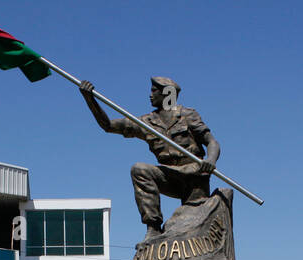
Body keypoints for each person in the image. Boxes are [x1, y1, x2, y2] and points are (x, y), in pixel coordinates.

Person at [80, 76, 218, 240]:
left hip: (194, 177)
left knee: (196, 223)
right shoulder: (147, 122)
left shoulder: (187, 114)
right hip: (170, 177)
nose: (150, 95)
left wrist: (211, 160)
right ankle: (153, 227)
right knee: (139, 169)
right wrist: (90, 100)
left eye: (154, 91)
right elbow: (108, 126)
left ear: (167, 93)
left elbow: (211, 141)